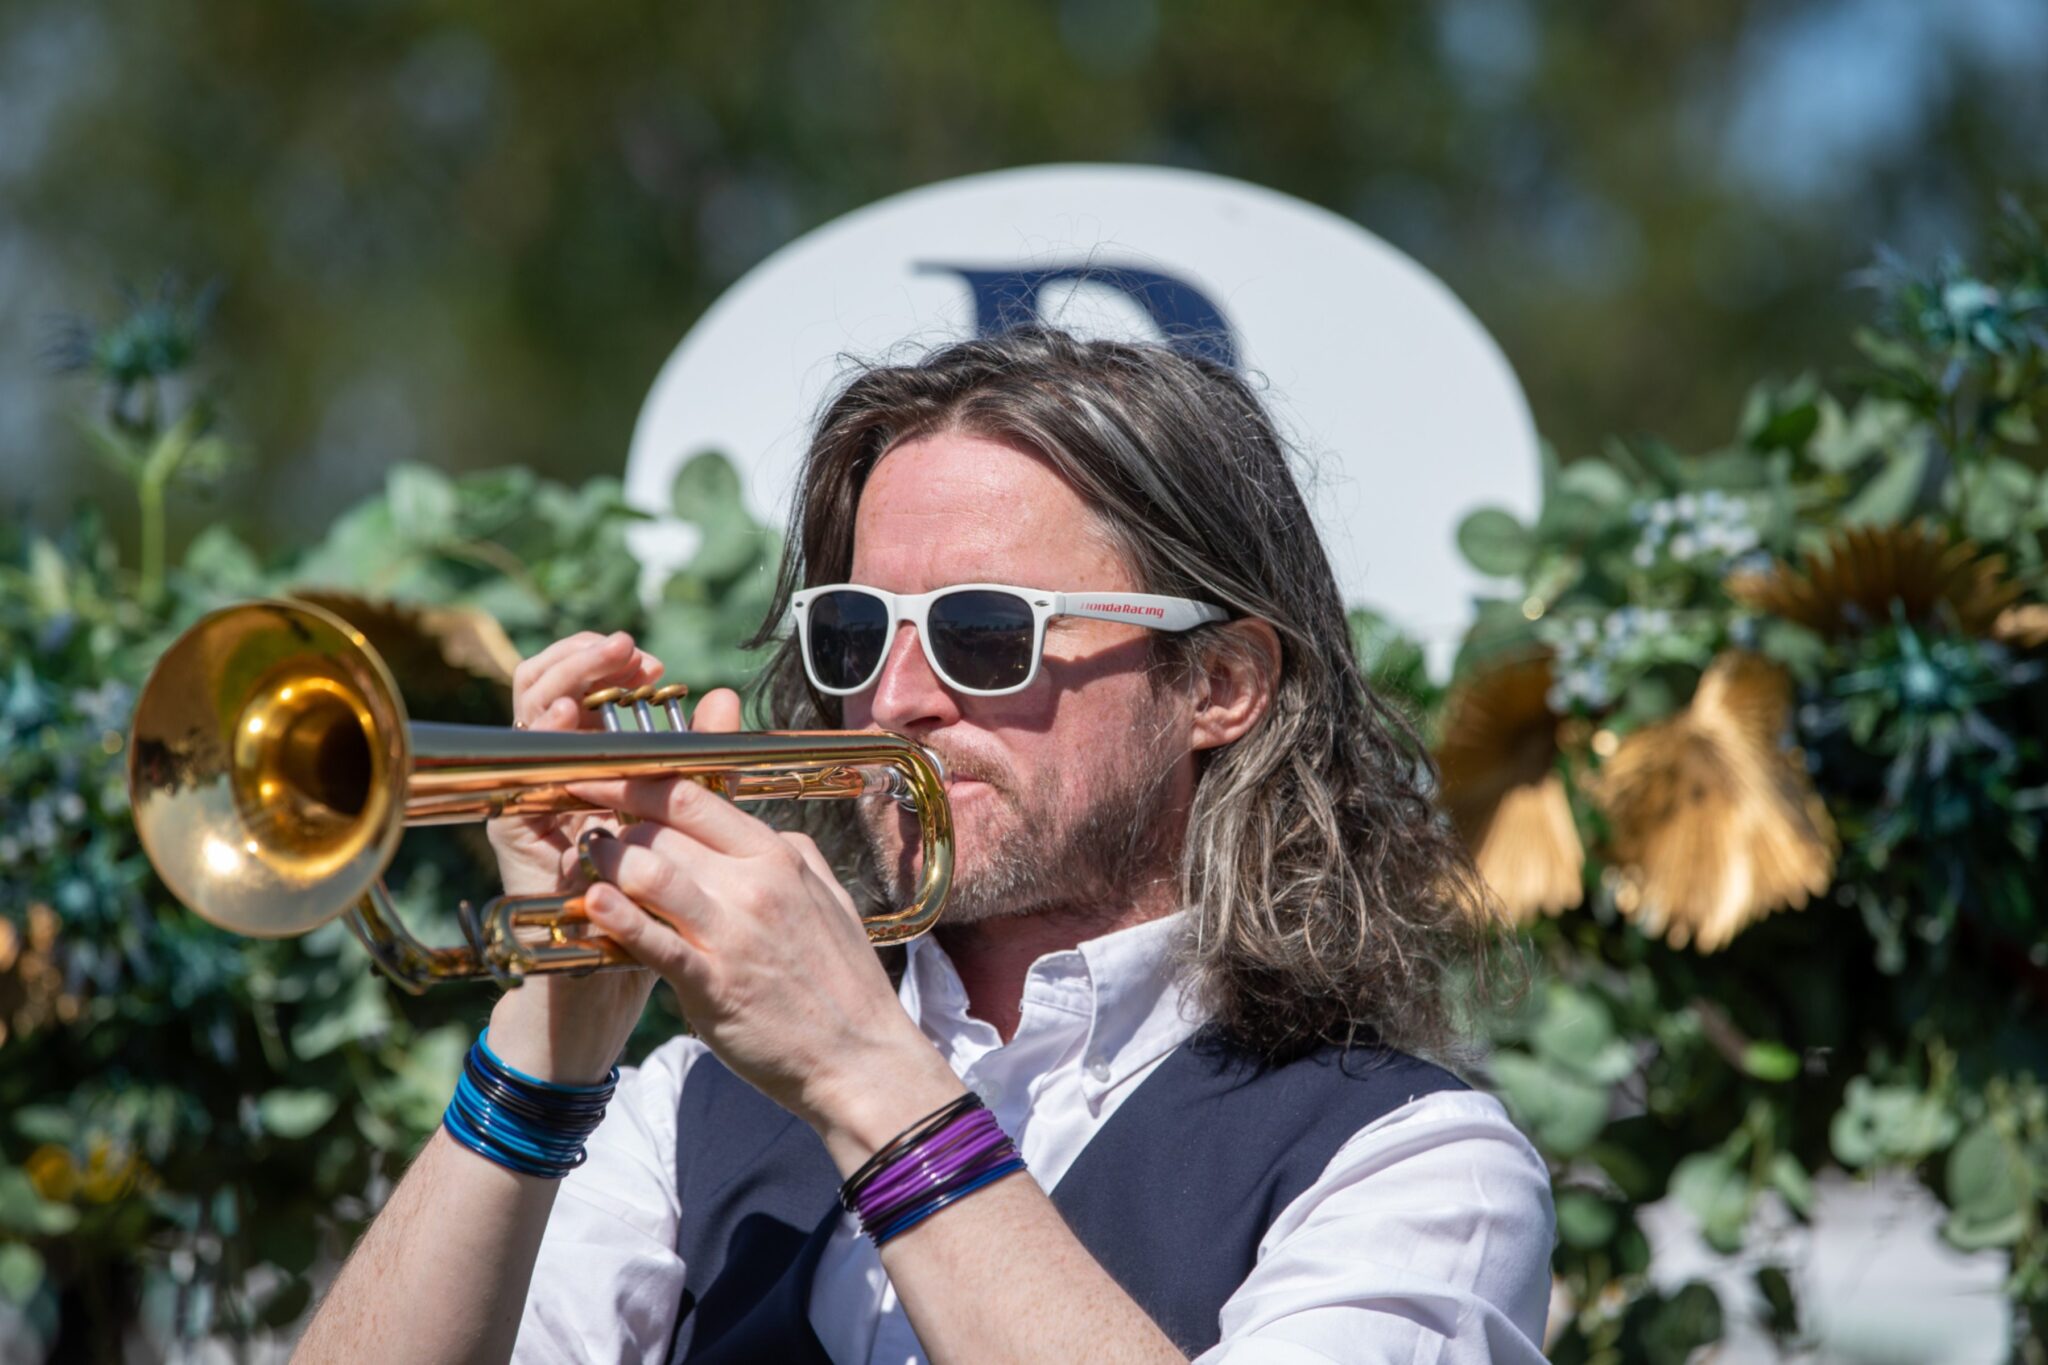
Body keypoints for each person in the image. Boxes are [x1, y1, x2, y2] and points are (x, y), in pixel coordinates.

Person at [295, 327, 1555, 1364]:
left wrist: (863, 1071)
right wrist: (548, 1039)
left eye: (983, 632)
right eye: (852, 632)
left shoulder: (1415, 1166)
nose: (895, 695)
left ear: (1218, 682)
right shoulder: (683, 1117)